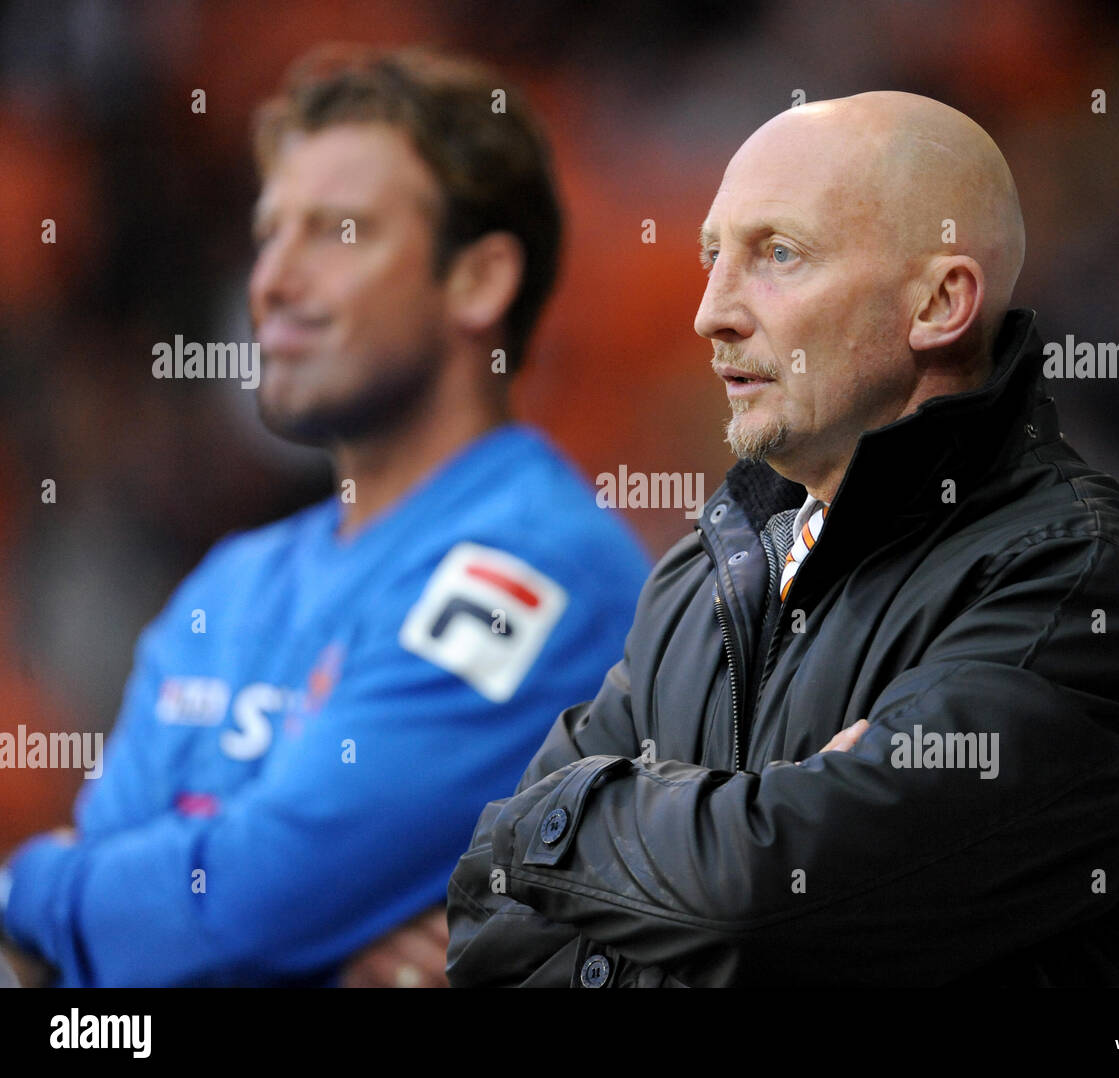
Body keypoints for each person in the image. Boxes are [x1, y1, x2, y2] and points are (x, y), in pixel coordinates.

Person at [443, 91, 1119, 987]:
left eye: (777, 254)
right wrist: (726, 839)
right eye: (711, 257)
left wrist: (559, 826)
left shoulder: (1084, 585)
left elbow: (768, 905)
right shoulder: (704, 575)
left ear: (938, 303)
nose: (711, 312)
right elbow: (484, 922)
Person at [0, 45, 649, 987]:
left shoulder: (535, 570)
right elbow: (139, 953)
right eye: (270, 234)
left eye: (337, 233)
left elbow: (249, 902)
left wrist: (32, 888)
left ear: (479, 280)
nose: (272, 282)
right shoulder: (231, 582)